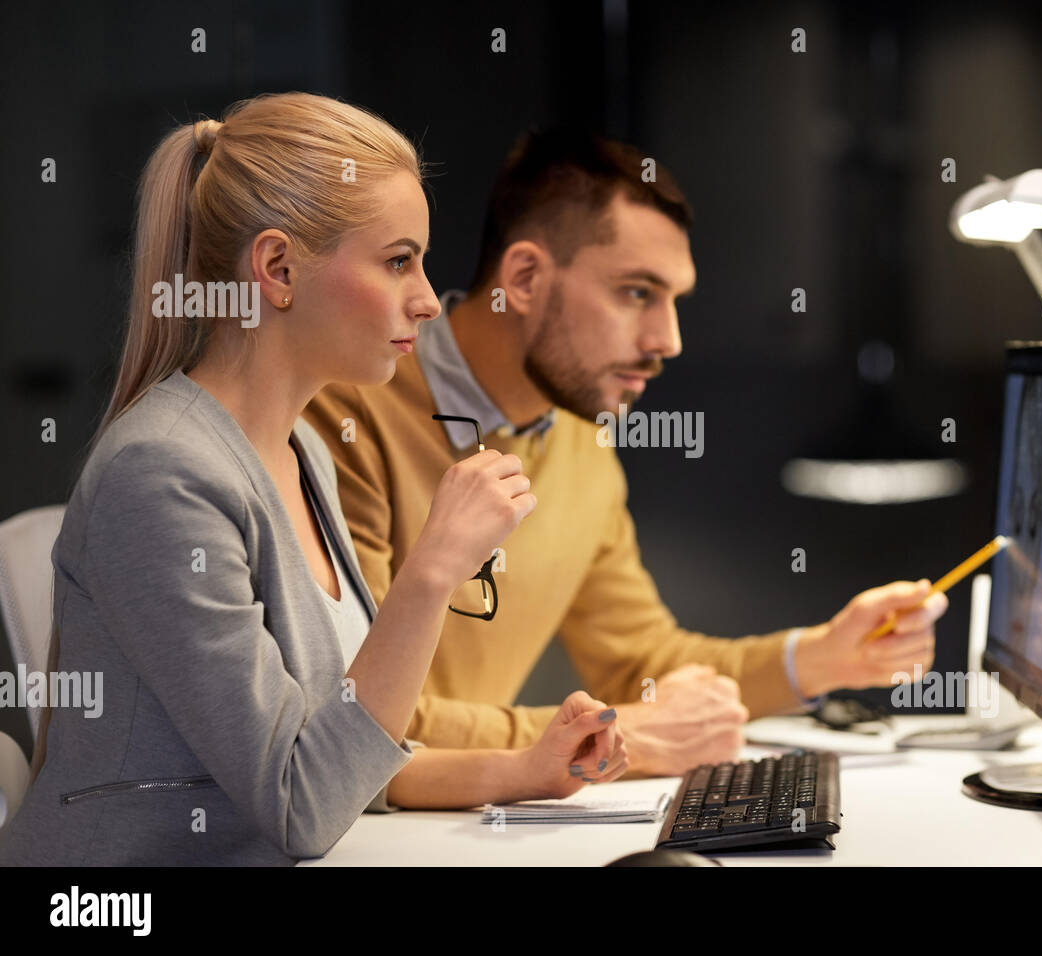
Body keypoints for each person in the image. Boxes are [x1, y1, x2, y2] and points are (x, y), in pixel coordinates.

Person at [0, 95, 625, 867]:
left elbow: (340, 756)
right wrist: (433, 571)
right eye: (398, 261)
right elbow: (300, 804)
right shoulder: (160, 474)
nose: (428, 300)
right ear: (278, 268)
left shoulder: (305, 453)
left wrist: (525, 769)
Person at [304, 129, 948, 776]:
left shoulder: (580, 434)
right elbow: (360, 719)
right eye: (637, 293)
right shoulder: (345, 414)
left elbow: (639, 663)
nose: (668, 340)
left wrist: (823, 656)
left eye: (673, 301)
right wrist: (615, 733)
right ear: (523, 279)